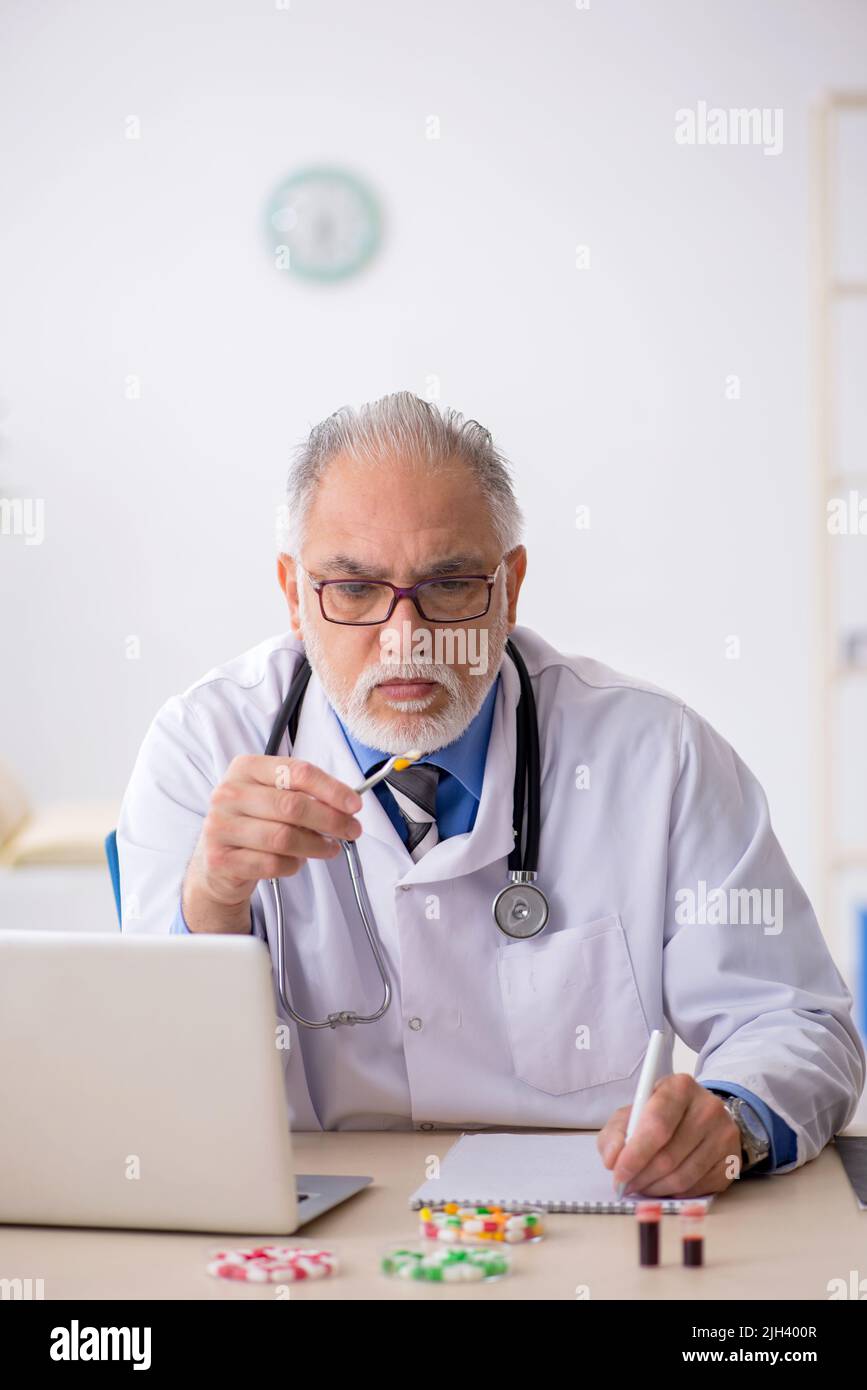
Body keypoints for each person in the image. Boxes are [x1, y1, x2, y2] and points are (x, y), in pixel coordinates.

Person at [117, 391, 864, 1198]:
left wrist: (732, 1118)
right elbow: (153, 1091)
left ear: (508, 587)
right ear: (294, 596)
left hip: (583, 1227)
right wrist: (212, 901)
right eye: (354, 590)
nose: (404, 639)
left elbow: (795, 1021)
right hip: (307, 1226)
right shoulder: (200, 750)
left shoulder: (655, 755)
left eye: (447, 586)